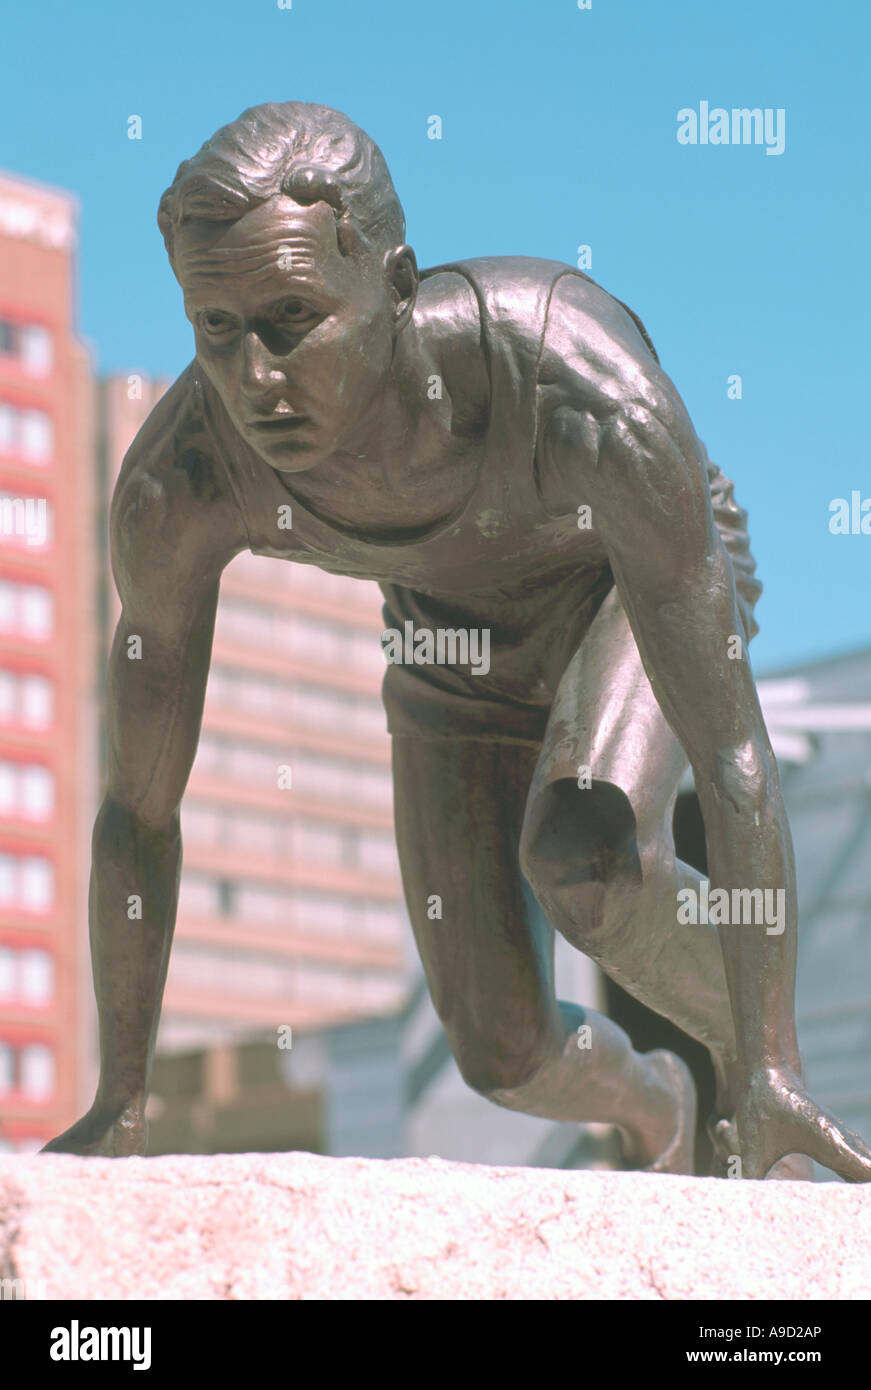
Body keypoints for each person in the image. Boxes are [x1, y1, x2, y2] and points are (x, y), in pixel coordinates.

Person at [44, 102, 871, 1179]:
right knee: (499, 1051)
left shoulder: (572, 384)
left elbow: (732, 751)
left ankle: (754, 1046)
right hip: (449, 645)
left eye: (292, 319)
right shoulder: (184, 482)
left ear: (394, 283)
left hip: (621, 586)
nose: (253, 381)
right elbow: (137, 809)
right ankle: (657, 1096)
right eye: (215, 328)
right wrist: (121, 1095)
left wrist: (770, 1064)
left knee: (584, 856)